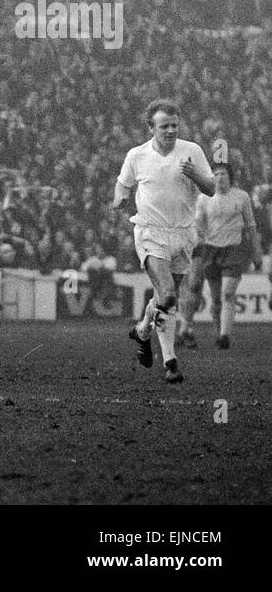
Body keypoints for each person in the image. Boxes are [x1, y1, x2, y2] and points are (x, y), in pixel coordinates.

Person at [113, 99, 214, 384]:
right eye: (164, 126)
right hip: (150, 231)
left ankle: (143, 330)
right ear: (151, 128)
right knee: (169, 295)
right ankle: (171, 362)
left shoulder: (192, 150)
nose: (170, 131)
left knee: (162, 299)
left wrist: (195, 174)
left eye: (174, 125)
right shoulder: (137, 155)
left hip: (183, 233)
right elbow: (123, 183)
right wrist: (118, 198)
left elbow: (209, 188)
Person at [177, 163, 257, 349]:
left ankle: (222, 335)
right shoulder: (204, 199)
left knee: (225, 293)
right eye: (216, 174)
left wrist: (256, 251)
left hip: (233, 250)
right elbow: (198, 223)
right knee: (203, 289)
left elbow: (250, 225)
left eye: (223, 174)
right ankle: (188, 329)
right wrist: (195, 238)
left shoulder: (241, 196)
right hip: (209, 249)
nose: (219, 177)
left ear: (230, 177)